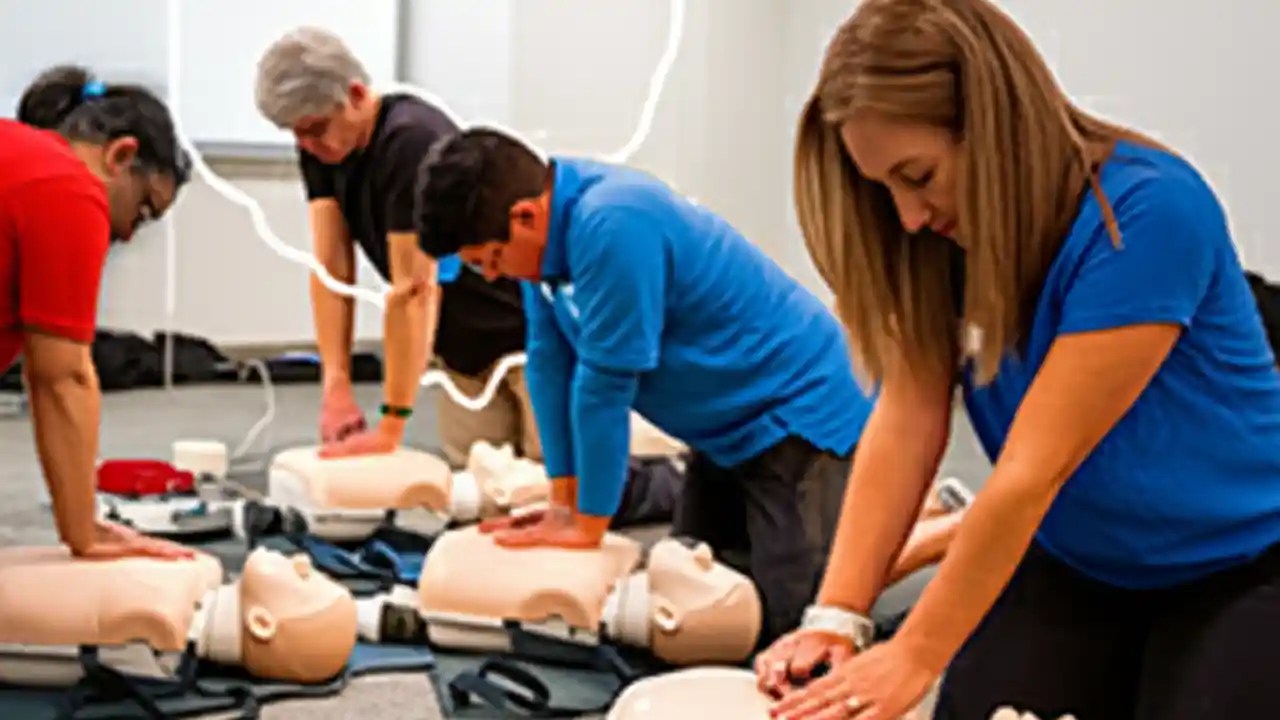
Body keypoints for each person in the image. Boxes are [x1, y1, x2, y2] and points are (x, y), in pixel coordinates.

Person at [756, 0, 1280, 718]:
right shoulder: (941, 244)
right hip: (1082, 556)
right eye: (885, 191)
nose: (908, 217)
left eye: (918, 176)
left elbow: (1034, 470)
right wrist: (837, 617)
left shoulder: (1149, 214)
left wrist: (914, 655)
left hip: (1238, 561)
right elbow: (907, 418)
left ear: (994, 127)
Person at [411, 127, 877, 646]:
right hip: (722, 432)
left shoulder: (611, 221)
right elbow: (548, 364)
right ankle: (861, 538)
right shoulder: (540, 232)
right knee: (691, 602)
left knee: (786, 630)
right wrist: (563, 500)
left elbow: (602, 390)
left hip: (799, 414)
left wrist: (589, 522)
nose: (491, 277)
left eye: (490, 260)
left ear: (524, 217)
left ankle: (905, 536)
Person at [253, 27, 535, 465]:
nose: (308, 146)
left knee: (558, 480)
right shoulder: (323, 150)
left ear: (356, 94)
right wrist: (336, 387)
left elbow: (415, 289)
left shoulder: (411, 141)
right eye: (297, 135)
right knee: (478, 484)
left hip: (529, 332)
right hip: (461, 348)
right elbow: (331, 269)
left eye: (316, 130)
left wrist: (391, 427)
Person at [6, 65, 195, 561]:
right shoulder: (68, 187)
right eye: (145, 209)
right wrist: (84, 533)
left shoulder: (19, 157)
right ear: (121, 156)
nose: (129, 233)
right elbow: (61, 377)